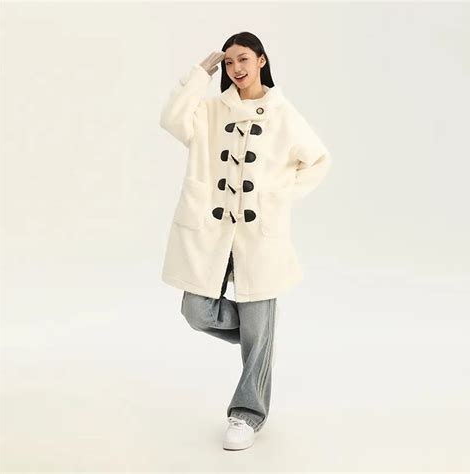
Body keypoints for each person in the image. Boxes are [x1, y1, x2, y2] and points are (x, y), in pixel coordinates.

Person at [159, 31, 332, 450]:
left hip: (259, 234)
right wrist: (199, 74)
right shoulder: (210, 110)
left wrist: (276, 197)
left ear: (261, 60)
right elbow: (171, 119)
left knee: (257, 328)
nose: (236, 68)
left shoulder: (282, 113)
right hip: (211, 228)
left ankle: (247, 414)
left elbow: (318, 160)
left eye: (243, 59)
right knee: (195, 310)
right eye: (229, 62)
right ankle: (261, 335)